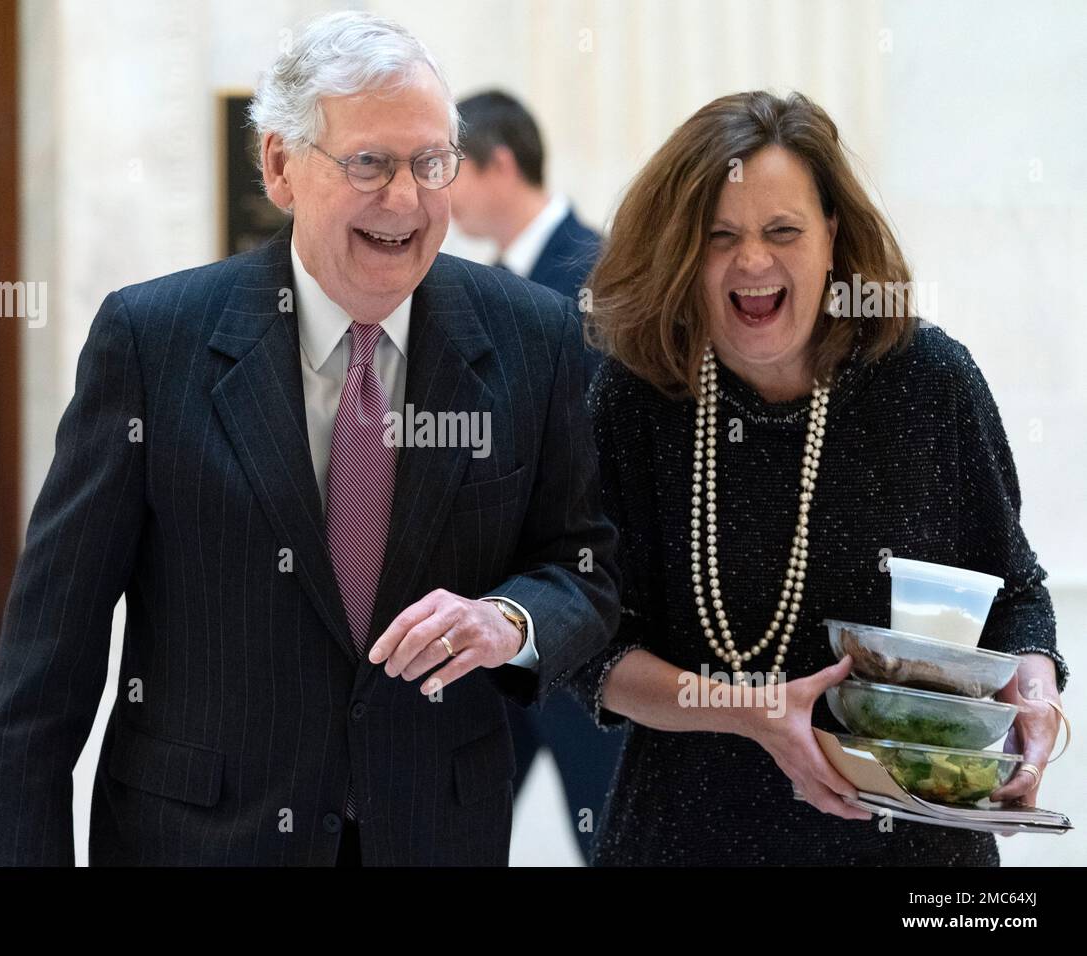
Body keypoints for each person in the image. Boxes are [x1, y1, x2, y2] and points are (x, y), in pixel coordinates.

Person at [0, 10, 619, 867]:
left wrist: (510, 621)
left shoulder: (531, 337)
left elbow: (585, 570)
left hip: (434, 832)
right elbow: (45, 668)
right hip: (200, 840)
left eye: (431, 164)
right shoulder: (153, 341)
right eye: (369, 163)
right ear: (281, 165)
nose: (406, 199)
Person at [569, 90, 1068, 865]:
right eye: (719, 236)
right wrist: (753, 712)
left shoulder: (928, 381)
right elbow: (592, 649)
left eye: (783, 231)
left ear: (832, 236)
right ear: (679, 251)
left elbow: (1018, 593)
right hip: (690, 835)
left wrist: (1033, 696)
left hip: (912, 846)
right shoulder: (636, 398)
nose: (754, 261)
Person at [451, 89, 623, 861]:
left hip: (582, 633)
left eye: (446, 168)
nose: (436, 192)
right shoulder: (483, 286)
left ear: (500, 164)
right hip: (495, 633)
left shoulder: (594, 275)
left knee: (608, 840)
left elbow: (601, 460)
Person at [451, 89, 603, 383]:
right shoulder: (490, 279)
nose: (441, 191)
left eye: (452, 167)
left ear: (500, 165)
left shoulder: (599, 269)